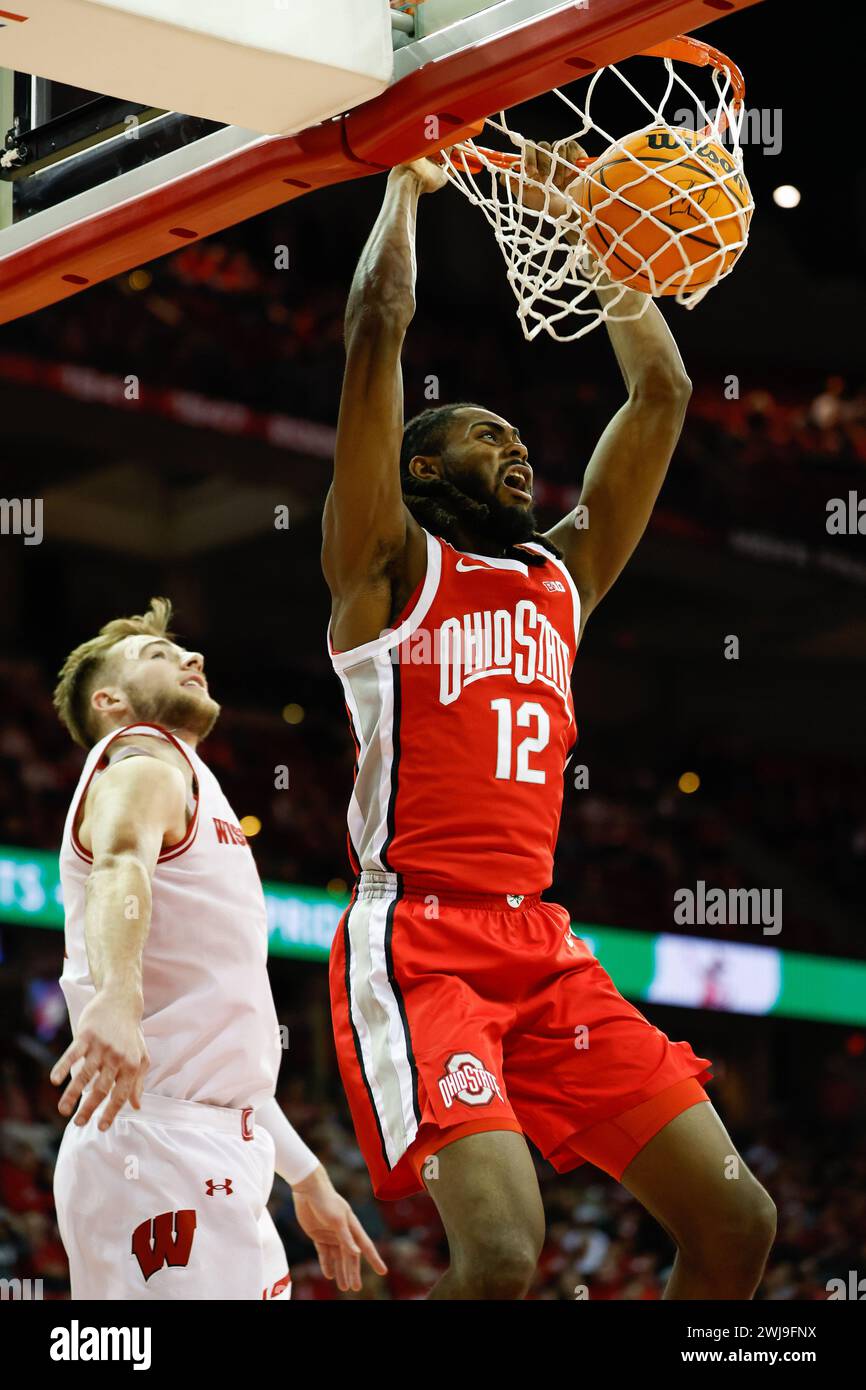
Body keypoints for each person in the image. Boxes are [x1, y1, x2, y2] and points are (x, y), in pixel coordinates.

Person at [321, 149, 777, 1299]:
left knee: (736, 1222)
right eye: (484, 434)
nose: (516, 446)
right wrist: (404, 187)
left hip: (543, 944)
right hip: (421, 946)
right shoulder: (383, 567)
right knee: (503, 1258)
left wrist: (599, 234)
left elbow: (660, 393)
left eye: (518, 436)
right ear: (420, 464)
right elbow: (376, 325)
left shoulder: (558, 578)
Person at [50, 599, 385, 1299]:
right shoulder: (140, 762)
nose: (191, 658)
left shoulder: (191, 777)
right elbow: (120, 865)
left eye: (184, 651)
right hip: (153, 1146)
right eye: (157, 656)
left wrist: (307, 1175)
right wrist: (116, 996)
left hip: (205, 1143)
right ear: (110, 700)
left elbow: (216, 1052)